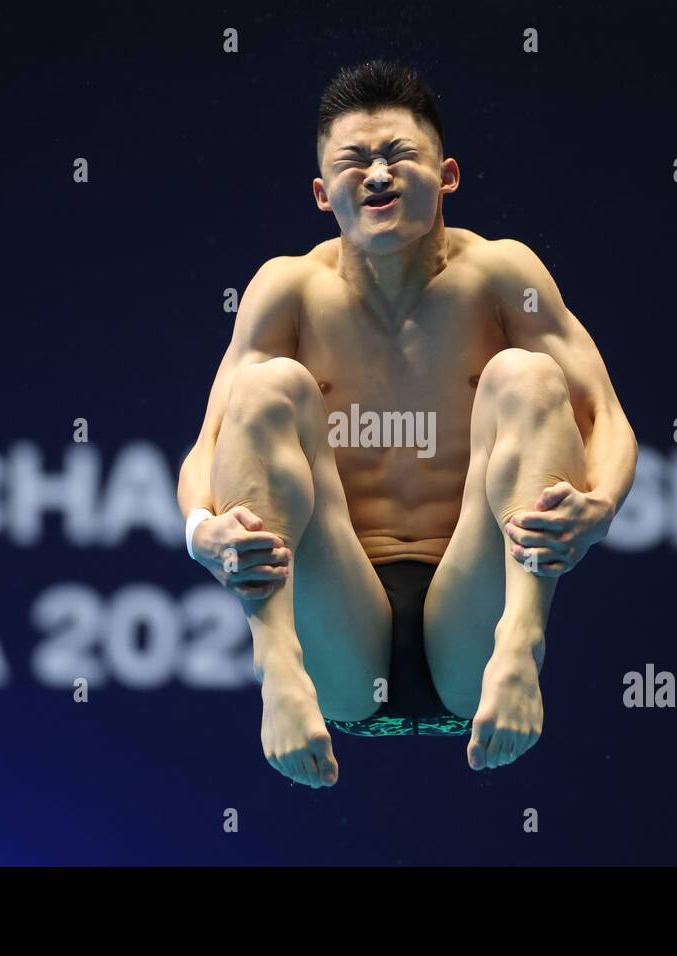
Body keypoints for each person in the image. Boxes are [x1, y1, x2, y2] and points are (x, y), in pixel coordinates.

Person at [177, 60, 637, 788]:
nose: (378, 173)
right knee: (267, 388)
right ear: (324, 194)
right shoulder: (287, 288)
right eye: (354, 161)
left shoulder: (502, 274)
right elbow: (208, 447)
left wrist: (601, 509)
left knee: (527, 375)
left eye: (399, 155)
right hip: (339, 634)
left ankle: (524, 645)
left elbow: (605, 418)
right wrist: (203, 535)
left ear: (447, 175)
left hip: (477, 629)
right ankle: (275, 667)